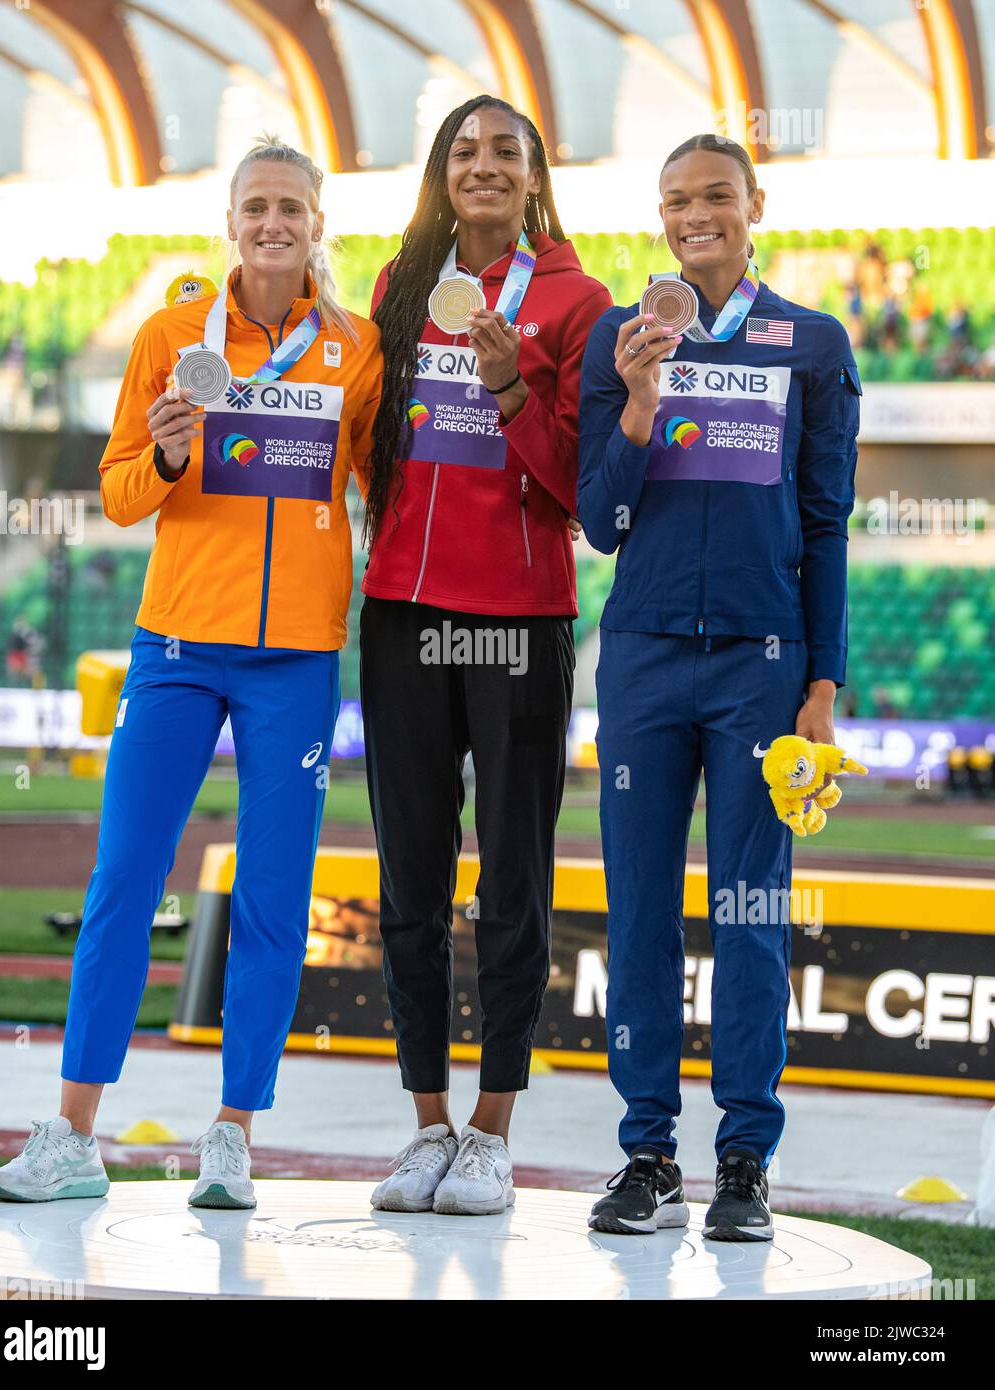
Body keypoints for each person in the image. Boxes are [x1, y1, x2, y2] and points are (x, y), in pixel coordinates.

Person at [0, 136, 383, 1210]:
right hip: (173, 649)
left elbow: (386, 487)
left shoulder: (358, 346)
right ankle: (73, 1135)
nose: (271, 223)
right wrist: (162, 453)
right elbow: (118, 494)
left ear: (316, 223)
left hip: (295, 659)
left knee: (274, 894)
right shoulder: (169, 335)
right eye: (255, 206)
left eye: (290, 207)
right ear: (232, 220)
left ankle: (234, 1132)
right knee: (123, 881)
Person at [578, 133, 860, 1240]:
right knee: (640, 913)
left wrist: (823, 682)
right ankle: (647, 1154)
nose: (695, 216)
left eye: (715, 198)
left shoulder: (814, 344)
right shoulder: (619, 338)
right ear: (660, 218)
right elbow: (601, 522)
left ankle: (745, 1160)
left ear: (754, 206)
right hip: (642, 657)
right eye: (675, 201)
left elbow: (828, 522)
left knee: (749, 916)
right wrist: (640, 406)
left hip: (763, 667)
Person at [360, 95, 612, 1215]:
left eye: (504, 151)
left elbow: (574, 484)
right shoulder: (398, 288)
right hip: (403, 610)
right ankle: (425, 1125)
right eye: (464, 150)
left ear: (533, 173)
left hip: (518, 617)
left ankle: (495, 1129)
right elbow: (378, 448)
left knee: (511, 877)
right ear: (441, 172)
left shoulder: (580, 300)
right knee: (411, 878)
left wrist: (512, 382)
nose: (483, 166)